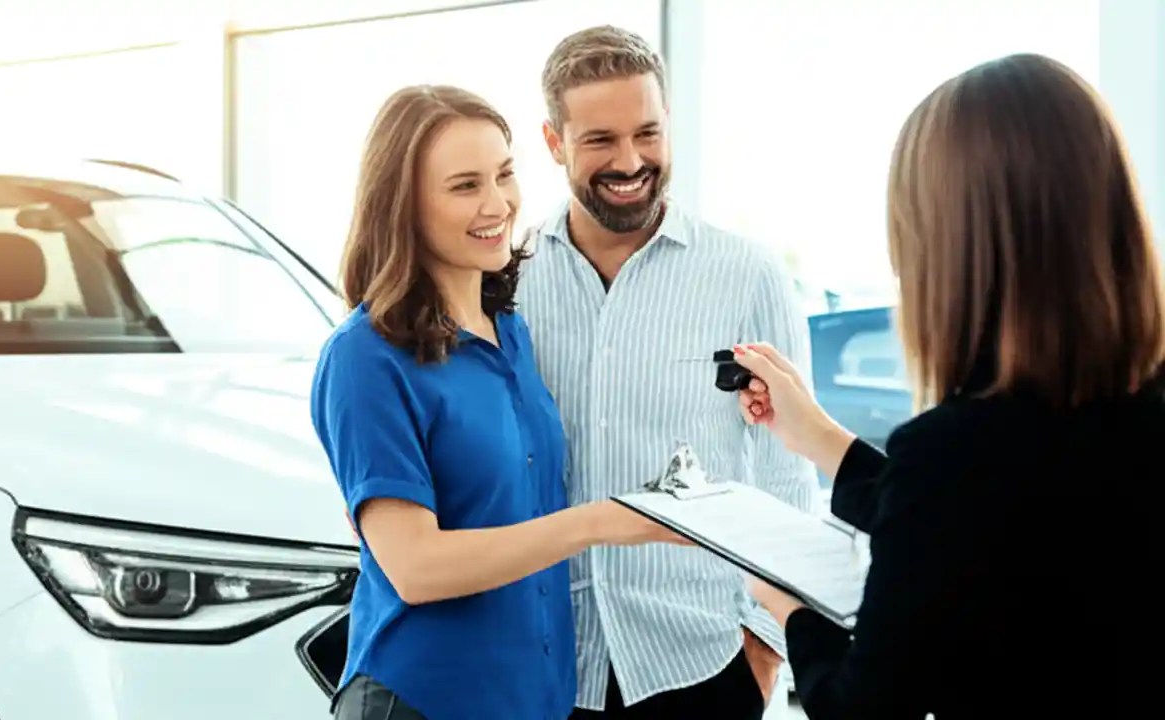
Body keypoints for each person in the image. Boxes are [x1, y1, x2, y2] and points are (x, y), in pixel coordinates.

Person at [731, 53, 1162, 719]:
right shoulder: (1127, 414)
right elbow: (985, 512)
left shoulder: (956, 456)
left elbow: (863, 708)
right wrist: (819, 439)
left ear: (950, 248)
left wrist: (789, 608)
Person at [309, 84, 686, 720]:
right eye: (465, 186)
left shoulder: (509, 330)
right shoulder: (364, 357)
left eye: (504, 175)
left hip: (534, 702)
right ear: (404, 206)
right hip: (422, 702)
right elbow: (415, 569)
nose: (498, 204)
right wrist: (598, 523)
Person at [515, 25, 819, 719]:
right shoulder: (509, 280)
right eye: (600, 140)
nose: (631, 161)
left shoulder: (746, 275)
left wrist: (764, 647)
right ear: (555, 142)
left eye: (647, 133)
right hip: (545, 666)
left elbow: (788, 476)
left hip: (704, 665)